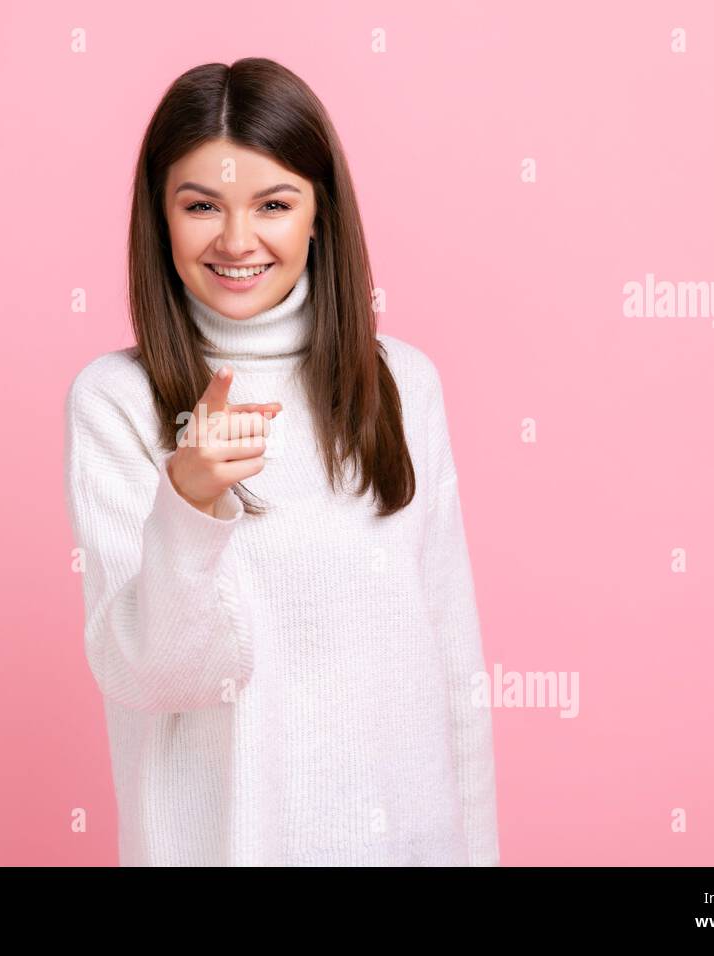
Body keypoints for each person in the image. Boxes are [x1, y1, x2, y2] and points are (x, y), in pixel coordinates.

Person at [63, 57, 499, 866]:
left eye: (272, 203)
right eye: (201, 205)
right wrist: (189, 506)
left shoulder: (403, 383)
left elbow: (452, 664)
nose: (236, 240)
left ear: (318, 215)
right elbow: (159, 681)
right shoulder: (116, 402)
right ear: (159, 218)